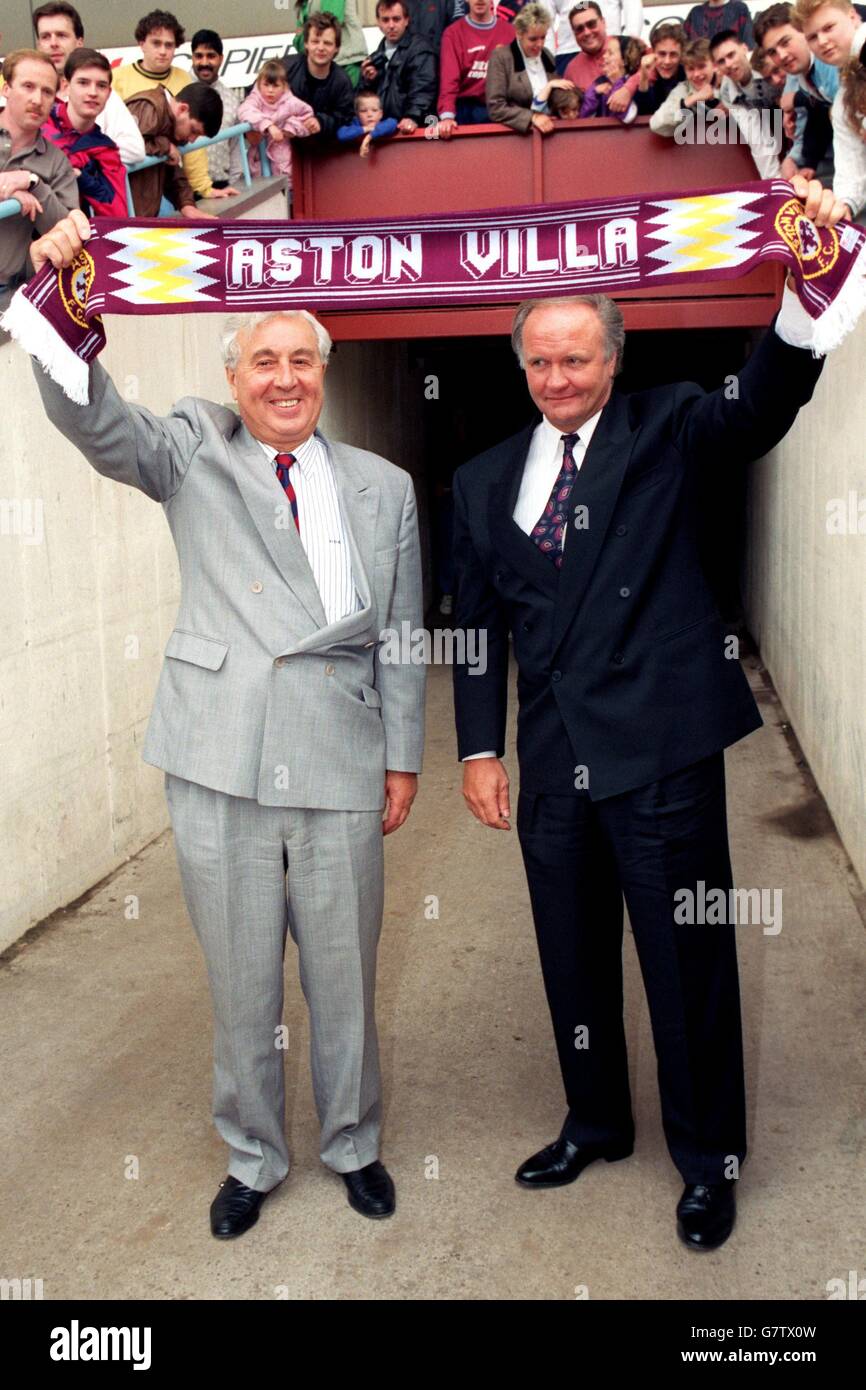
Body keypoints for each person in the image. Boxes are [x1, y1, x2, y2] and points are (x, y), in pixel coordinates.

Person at [451, 175, 847, 1252]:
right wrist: (480, 744)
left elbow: (757, 406)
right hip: (552, 759)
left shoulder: (669, 426)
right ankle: (592, 1120)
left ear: (613, 360)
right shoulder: (483, 478)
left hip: (660, 752)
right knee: (569, 954)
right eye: (538, 359)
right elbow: (476, 625)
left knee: (686, 963)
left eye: (575, 357)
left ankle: (706, 1159)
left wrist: (801, 300)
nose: (555, 376)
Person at [25, 207, 426, 1238]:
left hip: (340, 755)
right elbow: (94, 421)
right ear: (235, 375)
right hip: (219, 760)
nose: (284, 377)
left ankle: (353, 1142)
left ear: (324, 371)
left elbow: (403, 636)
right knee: (242, 977)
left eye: (302, 359)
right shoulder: (191, 448)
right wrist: (65, 303)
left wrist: (400, 757)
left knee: (344, 974)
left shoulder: (384, 489)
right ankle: (251, 1154)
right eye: (263, 362)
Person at [113, 10, 237, 203]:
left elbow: (194, 145)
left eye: (169, 45)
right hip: (128, 187)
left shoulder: (183, 79)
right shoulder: (117, 78)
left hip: (169, 184)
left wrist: (204, 187)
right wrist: (165, 146)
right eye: (156, 43)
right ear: (141, 43)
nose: (163, 51)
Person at [0, 49, 77, 311]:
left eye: (46, 91)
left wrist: (33, 183)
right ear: (7, 88)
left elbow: (65, 228)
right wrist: (8, 192)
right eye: (28, 86)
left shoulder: (57, 162)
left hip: (13, 294)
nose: (37, 99)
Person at [31, 1, 145, 165]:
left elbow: (134, 150)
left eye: (61, 35)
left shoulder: (100, 94)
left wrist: (71, 156)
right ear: (39, 45)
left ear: (79, 42)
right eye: (45, 36)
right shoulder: (27, 95)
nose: (53, 43)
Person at [793, 0, 866, 219]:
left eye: (828, 28)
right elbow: (851, 172)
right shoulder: (843, 103)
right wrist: (842, 207)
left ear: (853, 17)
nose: (822, 41)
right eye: (812, 37)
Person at [754, 5, 837, 183]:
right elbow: (819, 114)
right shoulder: (802, 74)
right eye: (772, 52)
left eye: (785, 42)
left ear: (803, 30)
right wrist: (809, 163)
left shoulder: (831, 59)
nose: (782, 55)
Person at [43, 48, 126, 218]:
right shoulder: (39, 120)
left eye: (101, 85)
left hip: (62, 231)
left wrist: (83, 178)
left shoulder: (105, 149)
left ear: (109, 93)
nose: (93, 93)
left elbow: (118, 212)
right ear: (66, 86)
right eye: (83, 83)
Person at [126, 82, 221, 218]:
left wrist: (187, 205)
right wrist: (165, 146)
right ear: (182, 109)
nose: (192, 140)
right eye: (193, 130)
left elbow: (171, 170)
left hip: (135, 218)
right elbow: (125, 147)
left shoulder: (167, 121)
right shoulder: (149, 106)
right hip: (119, 220)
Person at [710, 30, 782, 178]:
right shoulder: (726, 92)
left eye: (731, 55)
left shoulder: (767, 64)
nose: (728, 64)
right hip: (772, 127)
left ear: (744, 49)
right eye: (721, 61)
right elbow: (755, 137)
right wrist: (774, 184)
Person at [436, 0, 515, 134]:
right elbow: (449, 79)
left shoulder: (510, 32)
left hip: (500, 107)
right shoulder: (453, 33)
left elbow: (520, 76)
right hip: (465, 110)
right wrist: (447, 116)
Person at [359, 0, 437, 133]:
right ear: (378, 22)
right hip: (384, 131)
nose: (391, 25)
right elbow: (360, 101)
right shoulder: (374, 58)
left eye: (396, 19)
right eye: (385, 20)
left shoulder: (421, 49)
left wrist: (412, 117)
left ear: (406, 20)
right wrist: (368, 82)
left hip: (417, 129)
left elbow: (424, 89)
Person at [237, 60, 313, 188]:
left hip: (284, 164)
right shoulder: (255, 98)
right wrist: (268, 126)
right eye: (266, 85)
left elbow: (308, 115)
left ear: (284, 86)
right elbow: (244, 110)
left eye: (275, 86)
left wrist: (291, 128)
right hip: (259, 166)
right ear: (259, 84)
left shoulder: (291, 102)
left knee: (287, 197)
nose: (270, 90)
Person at [486, 2, 559, 134]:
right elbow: (495, 108)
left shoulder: (547, 55)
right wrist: (532, 117)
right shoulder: (502, 57)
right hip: (516, 139)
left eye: (543, 37)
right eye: (533, 39)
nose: (540, 44)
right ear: (519, 34)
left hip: (550, 134)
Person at [285, 13, 356, 141]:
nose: (321, 48)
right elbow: (254, 95)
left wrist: (321, 122)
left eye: (328, 43)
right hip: (282, 146)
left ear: (337, 48)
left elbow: (346, 117)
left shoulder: (342, 81)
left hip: (322, 152)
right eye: (315, 42)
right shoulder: (285, 68)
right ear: (306, 43)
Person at [563, 3, 644, 114]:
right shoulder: (571, 69)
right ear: (574, 33)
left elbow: (653, 64)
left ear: (603, 22)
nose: (586, 32)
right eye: (579, 29)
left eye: (591, 24)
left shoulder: (625, 44)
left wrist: (628, 89)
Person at [190, 29, 244, 191]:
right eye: (199, 56)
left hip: (221, 185)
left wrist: (233, 184)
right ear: (192, 58)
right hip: (185, 191)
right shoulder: (178, 90)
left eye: (211, 56)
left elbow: (235, 147)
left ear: (221, 59)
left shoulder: (231, 99)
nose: (204, 62)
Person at [547, 0, 644, 78]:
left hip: (611, 48)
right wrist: (548, 59)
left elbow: (633, 6)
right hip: (567, 53)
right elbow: (546, 18)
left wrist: (629, 46)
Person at [649, 36, 718, 137]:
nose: (696, 74)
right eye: (690, 69)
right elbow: (656, 124)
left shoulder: (730, 82)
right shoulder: (683, 89)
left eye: (701, 66)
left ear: (715, 65)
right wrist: (692, 99)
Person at [291, 0, 368, 88]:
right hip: (324, 66)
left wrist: (302, 36)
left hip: (346, 63)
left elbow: (328, 26)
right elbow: (300, 37)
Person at [579, 32, 641, 117]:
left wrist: (617, 82)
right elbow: (583, 115)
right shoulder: (599, 82)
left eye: (610, 53)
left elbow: (623, 117)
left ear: (624, 60)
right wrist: (594, 92)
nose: (604, 56)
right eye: (605, 52)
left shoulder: (634, 86)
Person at [633, 22, 686, 115]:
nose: (667, 61)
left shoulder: (690, 74)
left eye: (673, 54)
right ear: (652, 52)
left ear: (681, 55)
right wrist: (644, 78)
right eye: (662, 54)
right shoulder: (644, 73)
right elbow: (642, 115)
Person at [683, 0, 755, 48]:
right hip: (700, 69)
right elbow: (685, 49)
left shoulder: (739, 9)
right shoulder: (695, 13)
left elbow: (749, 46)